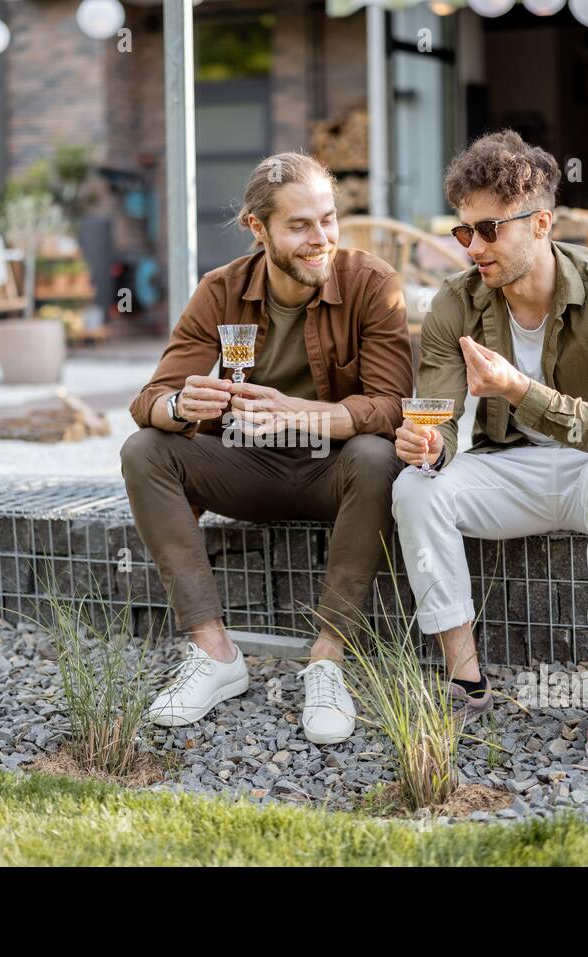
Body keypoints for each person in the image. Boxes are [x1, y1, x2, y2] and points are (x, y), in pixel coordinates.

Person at [392, 130, 588, 765]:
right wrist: (427, 445)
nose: (473, 247)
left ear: (541, 222)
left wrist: (517, 387)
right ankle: (466, 683)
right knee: (413, 488)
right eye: (462, 232)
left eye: (489, 230)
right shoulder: (454, 303)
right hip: (510, 469)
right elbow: (439, 419)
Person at [121, 151, 414, 745]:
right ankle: (215, 653)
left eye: (328, 220)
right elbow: (149, 398)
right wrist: (182, 406)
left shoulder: (371, 283)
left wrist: (304, 412)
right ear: (258, 228)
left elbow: (390, 407)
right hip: (246, 467)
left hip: (337, 472)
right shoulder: (221, 290)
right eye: (300, 225)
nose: (320, 238)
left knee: (377, 454)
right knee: (144, 449)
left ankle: (328, 660)